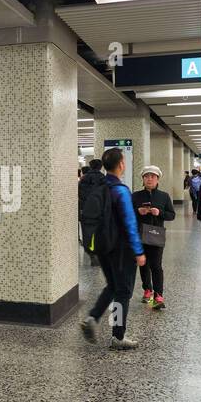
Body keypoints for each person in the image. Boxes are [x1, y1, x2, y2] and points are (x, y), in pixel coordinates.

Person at [80, 146, 146, 350]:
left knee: (112, 286)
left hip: (103, 247)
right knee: (123, 292)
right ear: (121, 165)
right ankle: (118, 336)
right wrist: (138, 251)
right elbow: (129, 223)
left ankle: (93, 317)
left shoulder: (100, 187)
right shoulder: (120, 190)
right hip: (121, 251)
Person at [132, 165, 174, 309]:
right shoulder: (135, 196)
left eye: (153, 176)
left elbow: (171, 215)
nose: (149, 179)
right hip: (139, 234)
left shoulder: (164, 196)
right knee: (143, 264)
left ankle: (158, 295)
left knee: (156, 265)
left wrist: (159, 213)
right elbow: (128, 214)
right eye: (146, 176)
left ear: (158, 179)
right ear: (142, 180)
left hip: (156, 234)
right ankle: (147, 289)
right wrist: (138, 211)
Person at [77, 157, 105, 265]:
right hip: (99, 210)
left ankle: (91, 253)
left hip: (86, 210)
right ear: (101, 167)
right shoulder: (103, 178)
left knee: (87, 233)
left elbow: (80, 194)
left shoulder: (84, 179)